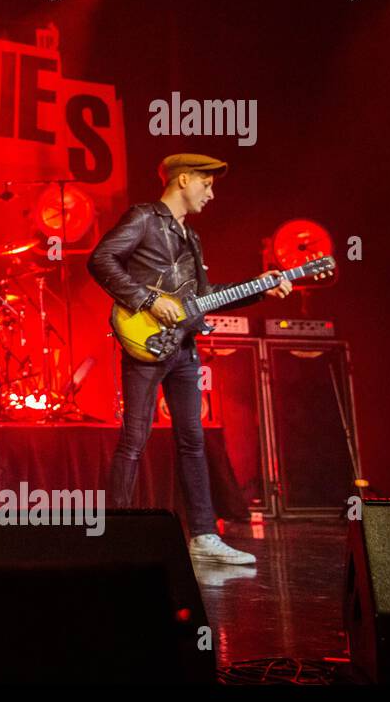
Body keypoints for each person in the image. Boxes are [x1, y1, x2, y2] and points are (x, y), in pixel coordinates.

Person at [88, 153, 291, 564]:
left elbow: (203, 296)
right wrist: (146, 298)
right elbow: (100, 259)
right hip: (145, 342)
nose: (211, 194)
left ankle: (202, 536)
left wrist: (259, 289)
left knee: (193, 441)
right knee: (135, 438)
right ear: (182, 180)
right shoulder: (143, 218)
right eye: (207, 184)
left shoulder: (191, 237)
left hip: (184, 347)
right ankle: (115, 533)